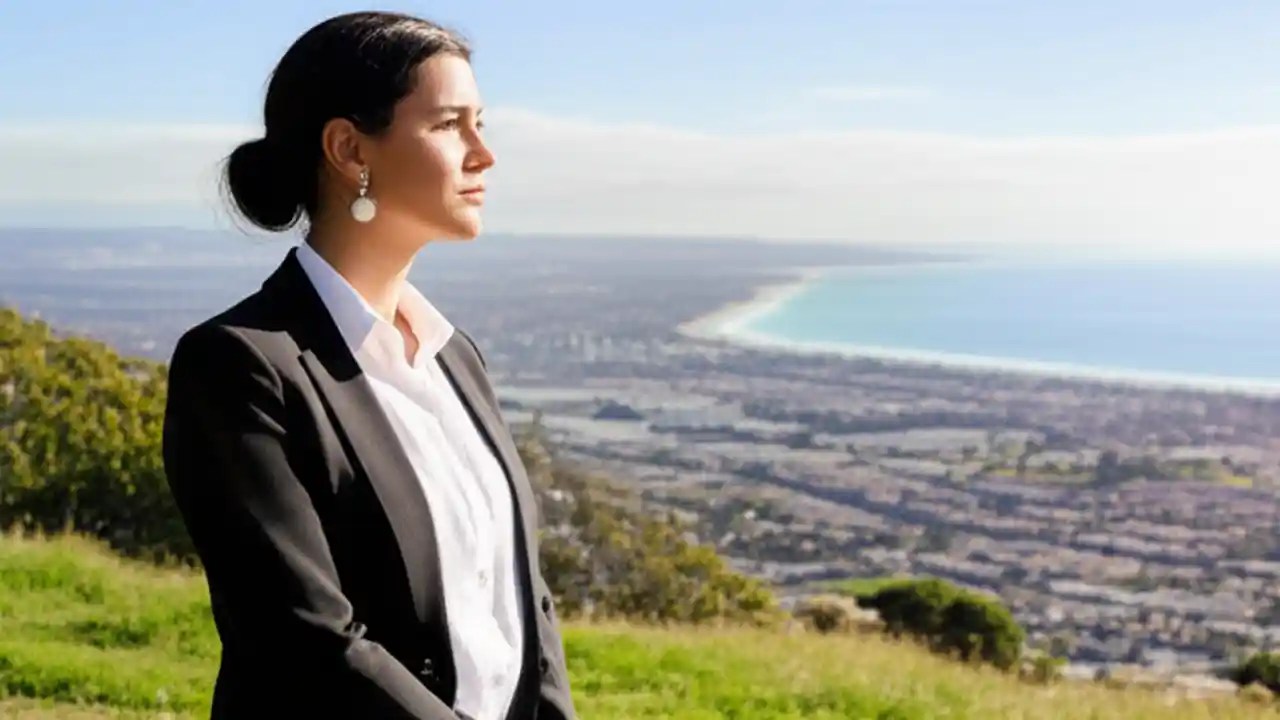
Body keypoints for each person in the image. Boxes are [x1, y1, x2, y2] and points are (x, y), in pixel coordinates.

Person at [161, 11, 576, 720]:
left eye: (483, 123)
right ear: (350, 149)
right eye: (450, 125)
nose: (484, 153)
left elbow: (521, 598)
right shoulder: (240, 367)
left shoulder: (454, 355)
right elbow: (307, 641)